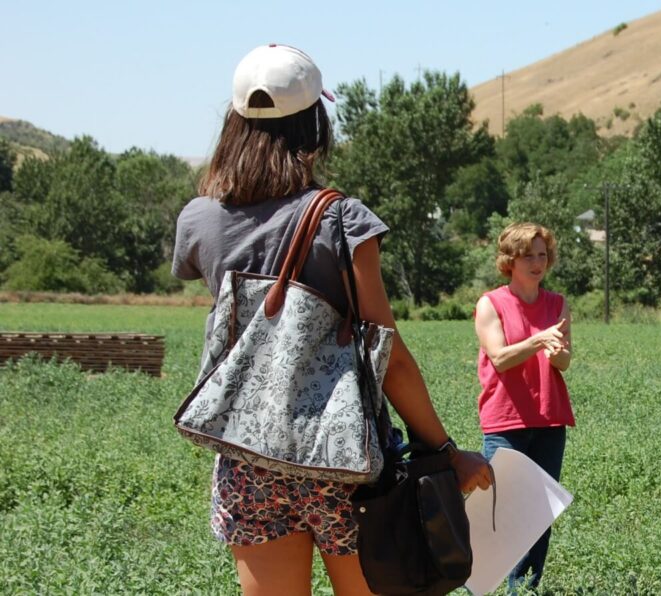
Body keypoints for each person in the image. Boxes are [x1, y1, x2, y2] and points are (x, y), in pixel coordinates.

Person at [172, 44, 491, 595]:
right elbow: (386, 356)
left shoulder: (200, 219)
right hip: (344, 464)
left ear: (233, 122)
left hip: (252, 461)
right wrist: (442, 451)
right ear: (316, 125)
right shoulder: (340, 220)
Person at [473, 222, 574, 592]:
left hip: (549, 417)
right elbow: (499, 358)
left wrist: (559, 354)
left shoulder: (557, 304)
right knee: (503, 510)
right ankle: (477, 581)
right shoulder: (491, 303)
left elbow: (564, 363)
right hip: (506, 419)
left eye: (542, 254)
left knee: (539, 513)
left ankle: (525, 588)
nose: (536, 262)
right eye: (527, 255)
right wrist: (539, 340)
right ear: (509, 260)